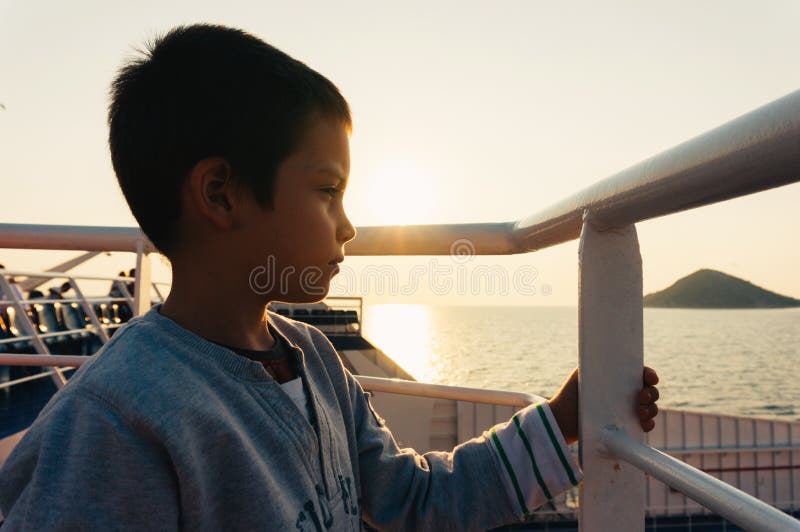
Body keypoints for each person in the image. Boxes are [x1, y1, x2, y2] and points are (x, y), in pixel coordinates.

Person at [0, 24, 659, 531]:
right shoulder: (117, 424)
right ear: (221, 194)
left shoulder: (315, 360)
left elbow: (422, 501)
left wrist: (563, 419)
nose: (347, 227)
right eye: (327, 191)